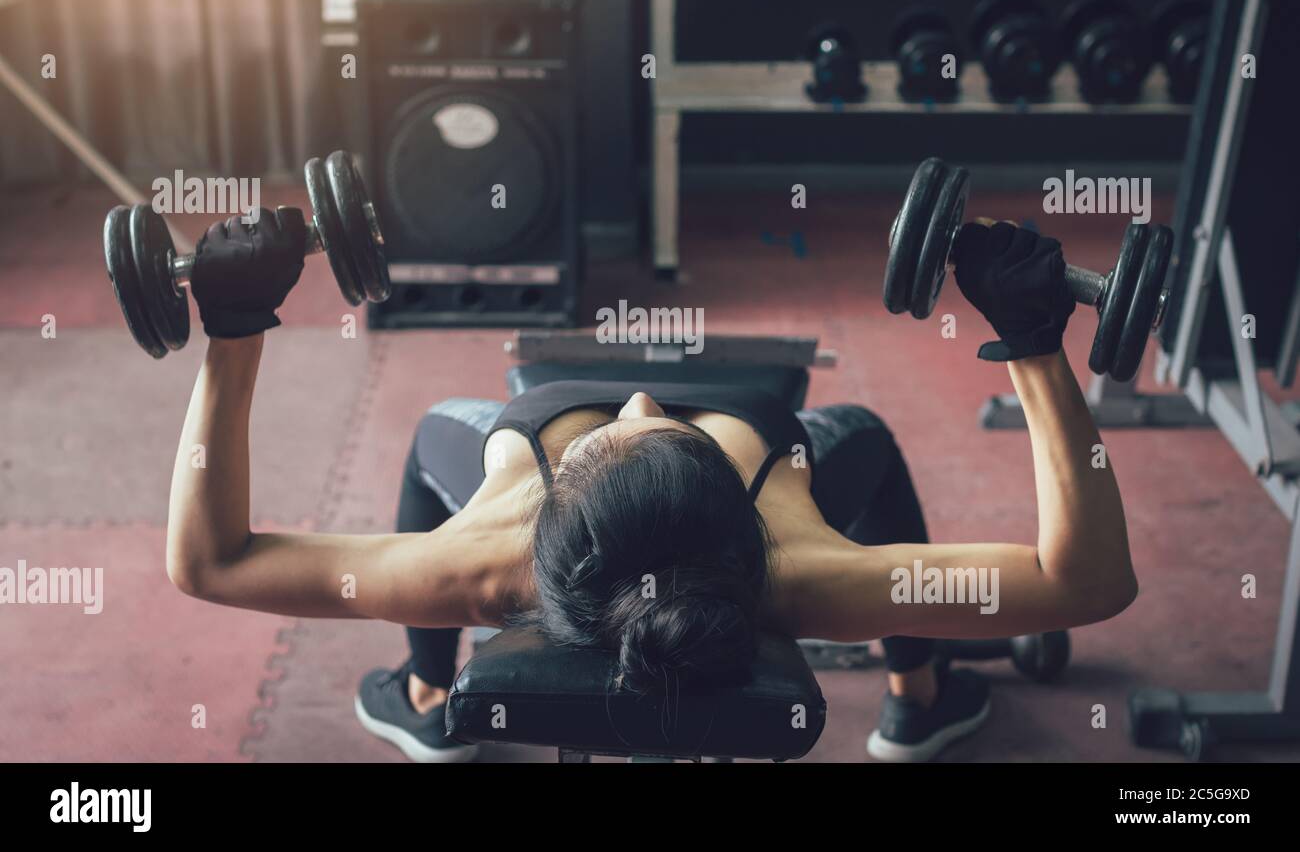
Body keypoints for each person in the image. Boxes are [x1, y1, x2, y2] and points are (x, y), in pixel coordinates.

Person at [166, 208, 1136, 763]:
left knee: (433, 435)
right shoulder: (799, 566)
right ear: (740, 520)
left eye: (632, 427)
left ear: (547, 521)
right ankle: (917, 693)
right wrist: (1037, 346)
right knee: (866, 439)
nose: (640, 395)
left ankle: (426, 691)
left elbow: (213, 560)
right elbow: (1086, 581)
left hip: (528, 449)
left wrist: (235, 329)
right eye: (658, 421)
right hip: (766, 448)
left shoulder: (476, 557)